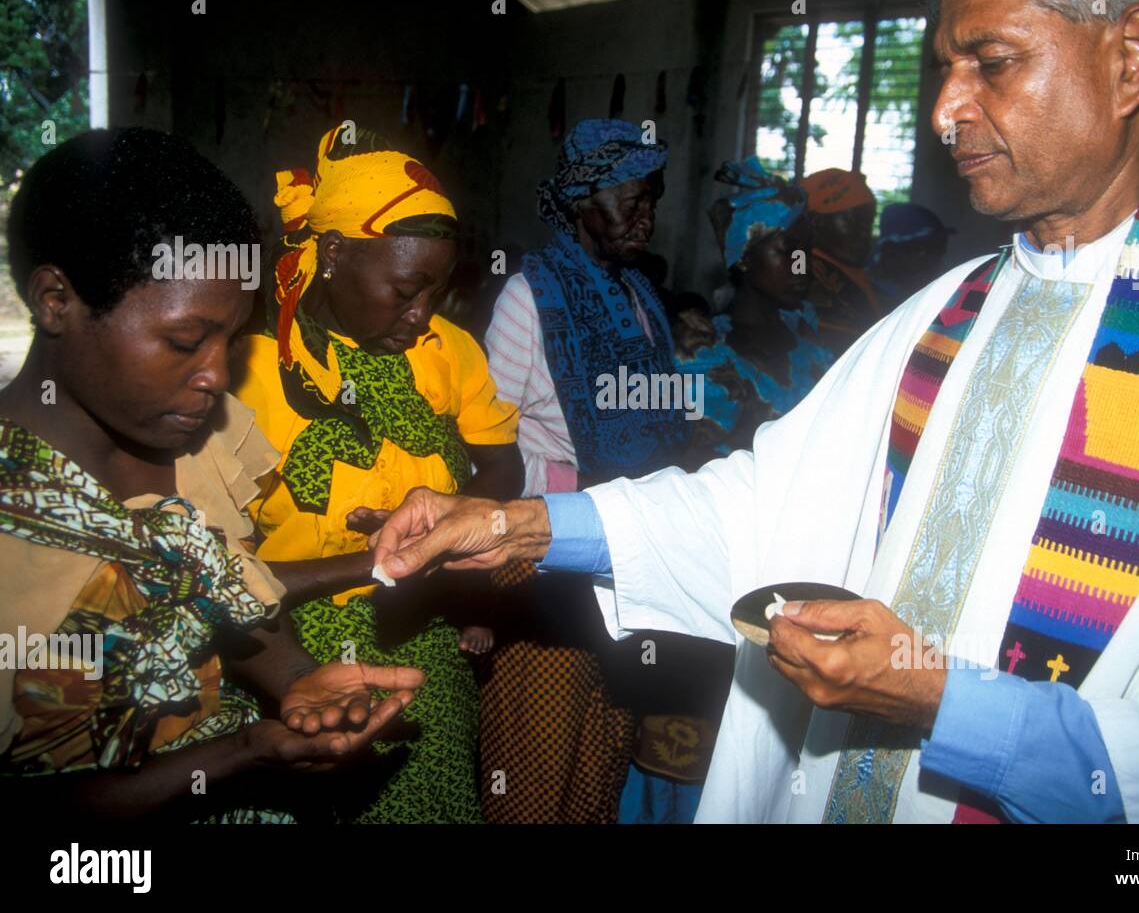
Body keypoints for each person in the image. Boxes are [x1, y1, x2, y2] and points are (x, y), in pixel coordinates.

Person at [373, 0, 1139, 823]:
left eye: (992, 63)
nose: (945, 109)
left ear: (1129, 56)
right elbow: (759, 509)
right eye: (943, 67)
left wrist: (944, 701)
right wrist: (520, 526)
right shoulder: (948, 313)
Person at [0, 128, 421, 821]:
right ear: (55, 300)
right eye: (185, 341)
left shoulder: (199, 441)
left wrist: (298, 679)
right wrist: (238, 754)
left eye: (231, 339)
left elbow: (227, 598)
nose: (218, 377)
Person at [233, 123, 522, 823]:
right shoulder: (252, 370)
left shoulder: (446, 352)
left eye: (438, 289)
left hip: (416, 621)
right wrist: (360, 557)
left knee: (437, 784)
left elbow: (503, 470)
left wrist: (447, 516)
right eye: (404, 289)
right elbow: (216, 560)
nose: (423, 312)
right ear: (333, 254)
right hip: (279, 637)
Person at [480, 118, 691, 823]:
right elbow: (487, 446)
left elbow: (664, 413)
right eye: (628, 199)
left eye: (652, 199)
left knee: (599, 769)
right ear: (580, 203)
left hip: (626, 561)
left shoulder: (641, 297)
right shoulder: (528, 298)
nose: (645, 215)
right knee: (536, 773)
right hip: (545, 570)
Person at [681, 158, 838, 466]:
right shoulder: (704, 350)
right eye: (788, 250)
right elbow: (690, 463)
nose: (801, 265)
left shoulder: (805, 331)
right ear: (743, 257)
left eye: (806, 251)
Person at [799, 167, 882, 352]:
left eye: (869, 221)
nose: (864, 232)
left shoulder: (848, 271)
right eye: (854, 220)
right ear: (816, 222)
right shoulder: (803, 270)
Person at [871, 202, 956, 313]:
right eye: (921, 250)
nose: (934, 259)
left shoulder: (938, 296)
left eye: (940, 248)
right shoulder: (865, 303)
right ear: (890, 250)